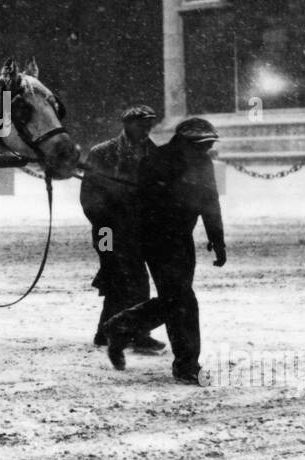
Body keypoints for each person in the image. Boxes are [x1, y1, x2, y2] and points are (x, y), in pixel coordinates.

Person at [104, 117, 226, 385]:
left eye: (208, 145)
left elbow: (210, 203)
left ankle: (123, 326)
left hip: (181, 240)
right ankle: (186, 365)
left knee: (175, 300)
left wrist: (217, 240)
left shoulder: (201, 163)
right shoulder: (156, 161)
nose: (204, 150)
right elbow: (138, 206)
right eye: (200, 145)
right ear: (183, 142)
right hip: (156, 240)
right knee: (183, 301)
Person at [79, 105, 165, 354]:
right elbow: (89, 198)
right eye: (142, 124)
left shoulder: (153, 153)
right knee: (114, 275)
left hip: (138, 231)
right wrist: (107, 220)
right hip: (106, 231)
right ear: (127, 124)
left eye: (149, 124)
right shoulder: (102, 153)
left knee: (134, 279)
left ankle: (117, 331)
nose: (147, 128)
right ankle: (126, 332)